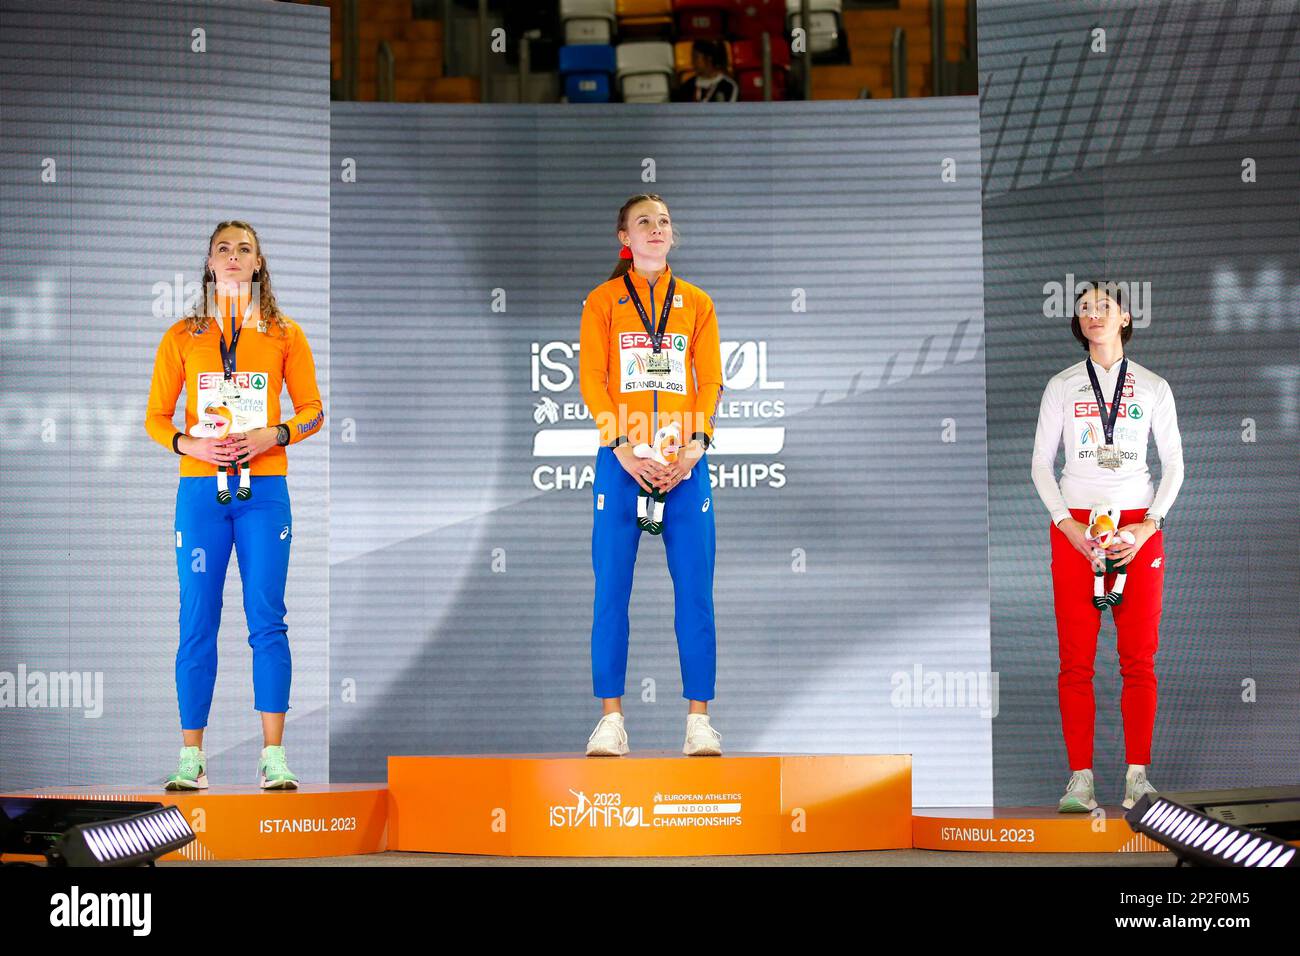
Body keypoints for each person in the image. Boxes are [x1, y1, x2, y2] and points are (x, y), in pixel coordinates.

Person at [145, 220, 324, 790]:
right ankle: (191, 758)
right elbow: (154, 417)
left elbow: (314, 410)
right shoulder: (182, 336)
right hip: (202, 492)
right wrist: (188, 443)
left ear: (258, 264)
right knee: (196, 620)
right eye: (222, 248)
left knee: (267, 620)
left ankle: (273, 756)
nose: (232, 256)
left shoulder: (284, 333)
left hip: (263, 493)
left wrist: (276, 433)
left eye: (243, 249)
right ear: (209, 262)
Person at [579, 194, 725, 756]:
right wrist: (621, 445)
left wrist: (695, 445)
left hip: (686, 466)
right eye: (645, 222)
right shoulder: (603, 302)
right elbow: (593, 378)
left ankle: (698, 721)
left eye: (664, 221)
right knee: (611, 593)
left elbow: (709, 382)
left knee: (696, 594)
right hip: (621, 463)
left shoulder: (697, 303)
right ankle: (611, 721)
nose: (657, 228)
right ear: (626, 236)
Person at [1031, 281, 1184, 812]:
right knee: (1075, 661)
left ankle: (1137, 777)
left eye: (1104, 306)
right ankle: (1080, 780)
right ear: (1078, 324)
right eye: (1083, 308)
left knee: (1138, 660)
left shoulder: (1152, 386)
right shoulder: (1063, 386)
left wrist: (1148, 528)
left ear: (1124, 318)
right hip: (1075, 527)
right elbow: (1039, 465)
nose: (1093, 314)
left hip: (1138, 528)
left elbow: (1176, 466)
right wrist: (1067, 528)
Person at [674, 40, 739, 103]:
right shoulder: (687, 86)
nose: (693, 62)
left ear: (709, 58)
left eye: (696, 57)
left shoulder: (729, 86)